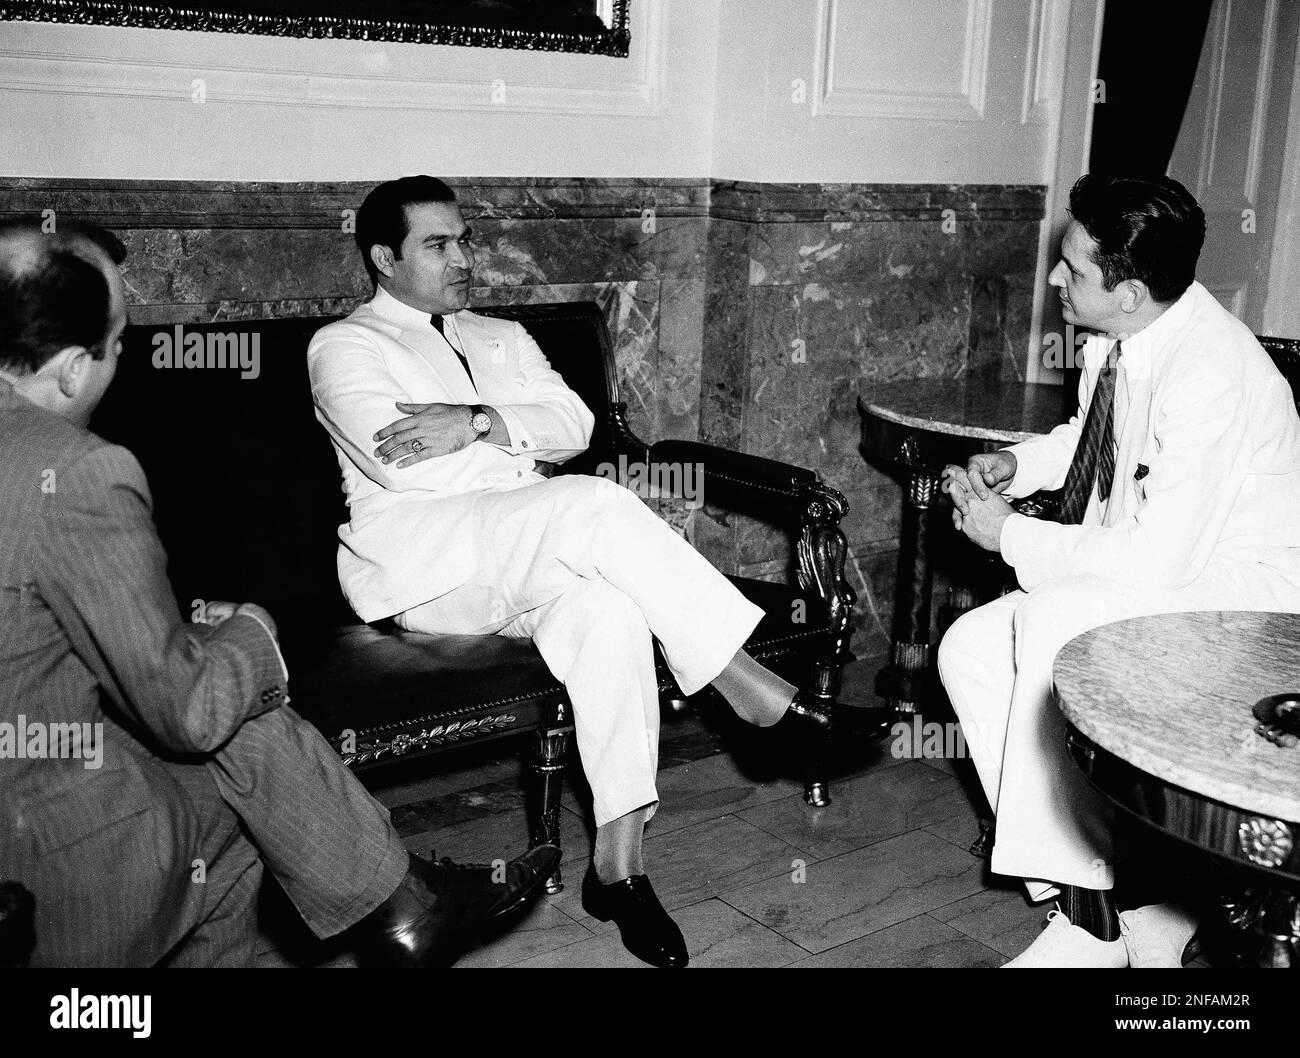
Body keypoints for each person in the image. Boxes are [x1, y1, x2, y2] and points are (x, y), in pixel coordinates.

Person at [308, 176, 878, 968]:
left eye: (465, 239)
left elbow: (573, 424)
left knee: (608, 611)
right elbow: (405, 470)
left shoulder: (500, 335)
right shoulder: (347, 345)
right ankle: (756, 696)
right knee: (586, 504)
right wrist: (515, 448)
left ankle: (620, 869)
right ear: (383, 258)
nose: (463, 258)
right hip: (433, 573)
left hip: (536, 549)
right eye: (438, 245)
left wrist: (475, 422)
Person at [0, 216, 559, 968]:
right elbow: (189, 715)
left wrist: (182, 631)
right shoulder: (77, 471)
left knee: (242, 733)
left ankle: (402, 903)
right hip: (41, 845)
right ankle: (401, 904)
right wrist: (256, 631)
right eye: (122, 341)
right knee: (242, 743)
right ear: (71, 369)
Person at [938, 174, 1300, 967]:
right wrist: (1016, 464)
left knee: (1051, 617)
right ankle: (1097, 900)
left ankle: (1098, 928)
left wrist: (1007, 538)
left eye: (1074, 269)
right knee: (967, 647)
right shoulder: (1127, 335)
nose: (1056, 279)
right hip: (1176, 568)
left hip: (1246, 604)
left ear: (1131, 292)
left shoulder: (1214, 372)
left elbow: (1160, 562)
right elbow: (1085, 436)